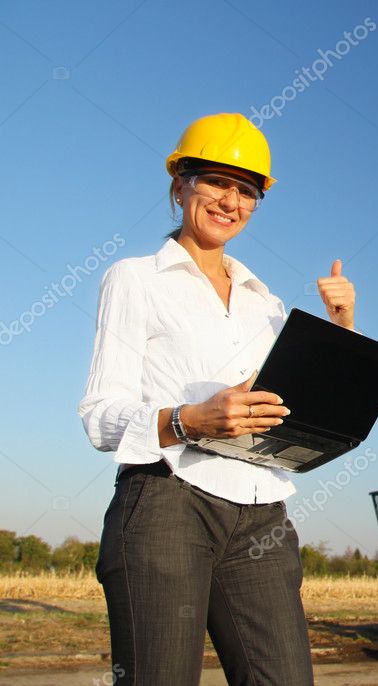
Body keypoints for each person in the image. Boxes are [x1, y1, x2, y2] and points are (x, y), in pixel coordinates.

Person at [78, 112, 356, 685]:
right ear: (180, 185)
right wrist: (190, 421)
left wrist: (342, 327)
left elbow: (301, 409)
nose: (231, 200)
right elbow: (100, 417)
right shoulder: (135, 279)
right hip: (166, 501)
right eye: (217, 182)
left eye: (247, 190)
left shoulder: (267, 304)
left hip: (261, 514)